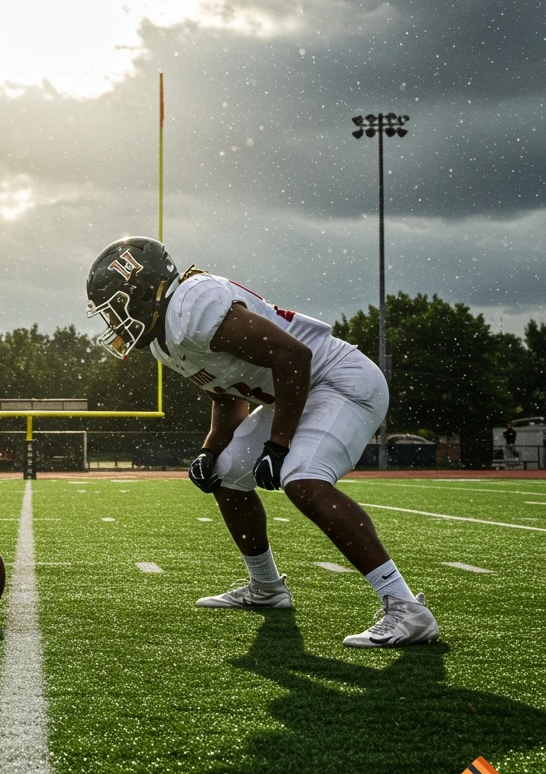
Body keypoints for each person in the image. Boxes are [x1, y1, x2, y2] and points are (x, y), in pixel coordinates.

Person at [86, 236, 439, 648]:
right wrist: (210, 449)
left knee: (302, 478)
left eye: (117, 307)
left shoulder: (192, 305)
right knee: (225, 474)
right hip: (294, 394)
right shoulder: (166, 341)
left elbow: (294, 356)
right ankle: (266, 587)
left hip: (338, 380)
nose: (115, 322)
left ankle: (405, 607)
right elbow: (226, 393)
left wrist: (278, 444)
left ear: (146, 290)